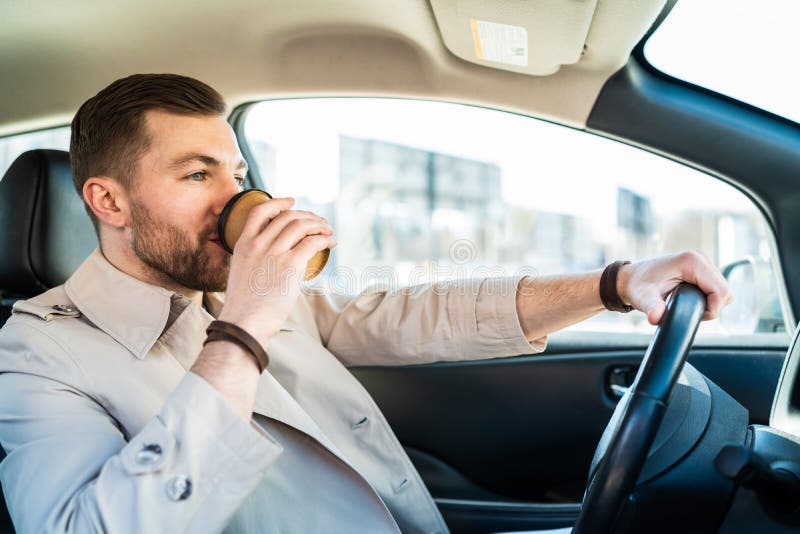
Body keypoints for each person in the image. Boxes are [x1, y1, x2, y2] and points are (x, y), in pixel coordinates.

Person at [0, 74, 732, 533]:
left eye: (238, 170)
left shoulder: (239, 293)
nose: (237, 197)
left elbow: (415, 314)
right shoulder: (37, 351)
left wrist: (613, 285)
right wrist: (244, 326)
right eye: (198, 174)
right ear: (108, 201)